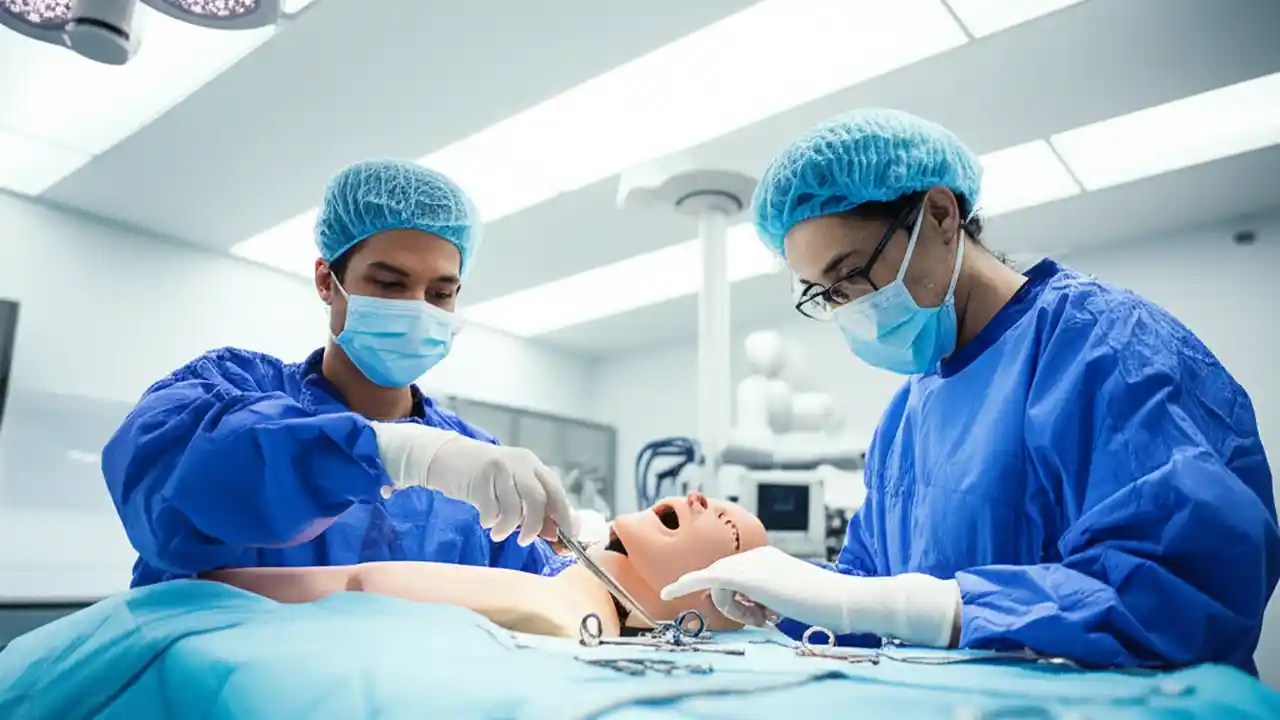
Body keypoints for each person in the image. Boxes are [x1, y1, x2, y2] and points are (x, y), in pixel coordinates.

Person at [662, 109, 1279, 673]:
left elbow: (1182, 592)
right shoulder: (908, 415)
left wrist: (904, 606)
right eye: (824, 294)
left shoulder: (1110, 350)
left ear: (939, 215)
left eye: (850, 274)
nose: (848, 305)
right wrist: (790, 598)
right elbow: (874, 585)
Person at [103, 159, 572, 588]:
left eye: (441, 294)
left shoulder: (479, 461)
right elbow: (177, 487)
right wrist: (399, 453)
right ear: (328, 281)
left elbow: (539, 599)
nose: (417, 308)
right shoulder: (230, 385)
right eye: (389, 283)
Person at [208, 492, 768, 638]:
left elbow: (365, 582)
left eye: (725, 524)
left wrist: (197, 586)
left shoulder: (551, 608)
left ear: (704, 597)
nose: (698, 497)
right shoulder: (551, 592)